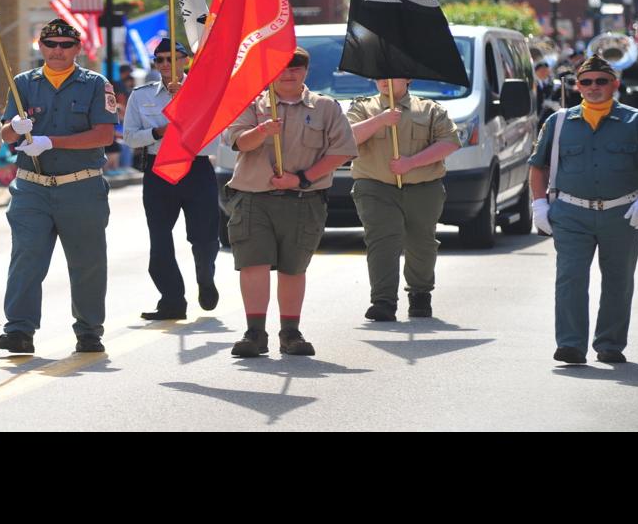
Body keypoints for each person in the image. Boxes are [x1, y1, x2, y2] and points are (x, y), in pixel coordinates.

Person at [527, 55, 638, 365]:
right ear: (578, 87)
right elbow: (537, 167)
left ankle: (610, 343)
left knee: (618, 279)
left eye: (601, 81)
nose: (593, 87)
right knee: (570, 277)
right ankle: (571, 344)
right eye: (586, 82)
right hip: (571, 213)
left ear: (614, 84)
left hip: (622, 213)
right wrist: (538, 204)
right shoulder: (558, 121)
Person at [220, 48, 356, 357]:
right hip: (254, 198)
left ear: (306, 71)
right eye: (281, 67)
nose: (288, 73)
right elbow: (238, 141)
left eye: (296, 67)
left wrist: (301, 178)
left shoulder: (325, 108)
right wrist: (264, 130)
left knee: (294, 268)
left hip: (302, 199)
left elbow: (342, 151)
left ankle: (291, 333)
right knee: (253, 264)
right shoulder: (253, 104)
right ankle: (254, 332)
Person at [0, 19, 116, 355]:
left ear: (77, 48)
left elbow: (104, 135)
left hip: (81, 186)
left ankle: (89, 330)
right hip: (32, 187)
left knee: (86, 262)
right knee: (27, 259)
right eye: (51, 44)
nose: (58, 51)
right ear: (41, 47)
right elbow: (5, 134)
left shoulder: (95, 84)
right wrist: (15, 128)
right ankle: (19, 330)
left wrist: (51, 141)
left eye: (66, 45)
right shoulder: (22, 83)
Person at [345, 77, 459, 322]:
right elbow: (347, 139)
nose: (384, 81)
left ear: (407, 79)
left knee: (421, 242)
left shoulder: (429, 109)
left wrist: (411, 163)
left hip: (422, 187)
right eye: (379, 76)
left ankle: (420, 293)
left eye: (393, 75)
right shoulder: (362, 108)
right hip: (375, 185)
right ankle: (383, 301)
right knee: (382, 241)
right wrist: (380, 120)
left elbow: (450, 142)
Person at [123, 38, 218, 321]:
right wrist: (158, 132)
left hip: (196, 168)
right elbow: (129, 136)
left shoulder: (203, 92)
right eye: (160, 60)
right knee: (160, 237)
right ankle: (172, 300)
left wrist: (184, 109)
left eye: (172, 58)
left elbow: (213, 141)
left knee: (204, 237)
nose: (166, 65)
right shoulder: (141, 96)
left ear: (185, 60)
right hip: (158, 169)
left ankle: (205, 276)